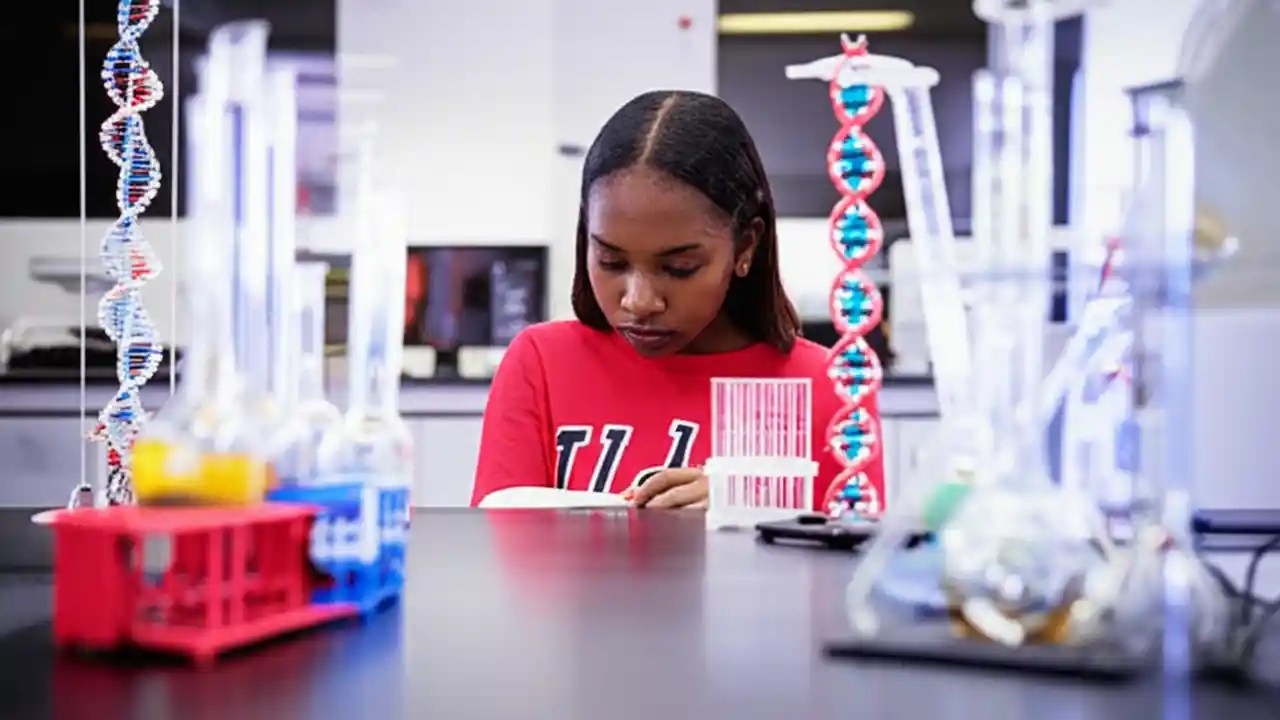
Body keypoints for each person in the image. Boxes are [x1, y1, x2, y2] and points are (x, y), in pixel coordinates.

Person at [470, 90, 884, 511]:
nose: (639, 301)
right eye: (611, 261)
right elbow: (499, 546)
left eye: (680, 267)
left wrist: (747, 512)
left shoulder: (830, 388)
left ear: (745, 246)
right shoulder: (541, 363)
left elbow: (857, 565)